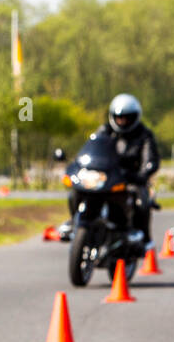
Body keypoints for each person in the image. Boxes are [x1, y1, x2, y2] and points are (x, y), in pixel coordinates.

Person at [59, 93, 160, 242]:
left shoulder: (143, 135)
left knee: (141, 202)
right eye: (119, 117)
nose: (122, 121)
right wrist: (80, 164)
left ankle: (142, 237)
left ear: (135, 117)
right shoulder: (105, 131)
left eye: (127, 117)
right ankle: (76, 220)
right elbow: (91, 149)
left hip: (130, 178)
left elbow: (150, 159)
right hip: (106, 175)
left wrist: (143, 174)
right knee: (77, 191)